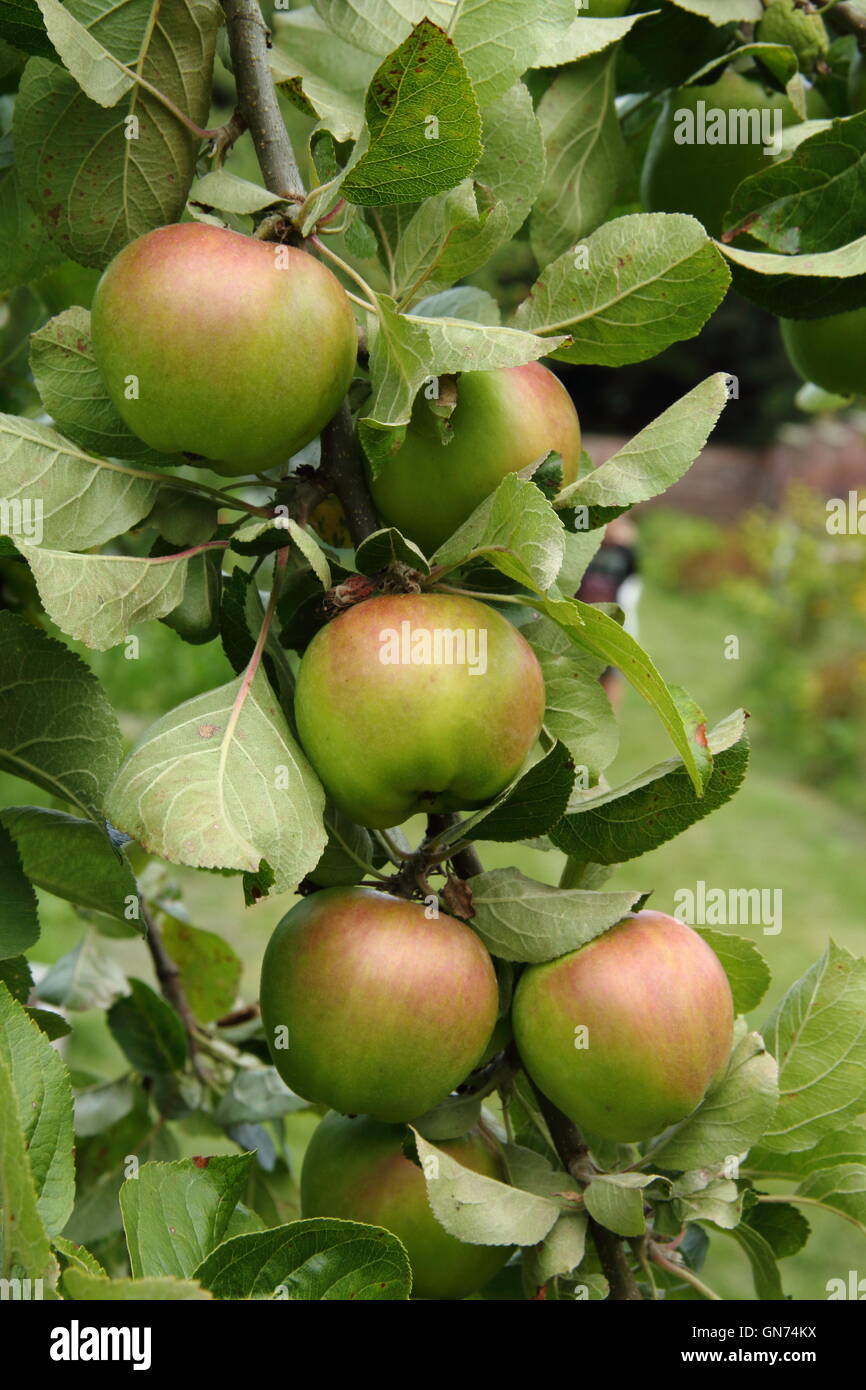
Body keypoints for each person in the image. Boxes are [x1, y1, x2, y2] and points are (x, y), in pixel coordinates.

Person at [576, 514, 641, 711]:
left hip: (612, 623)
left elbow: (633, 585)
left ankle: (610, 717)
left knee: (611, 674)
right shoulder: (583, 545)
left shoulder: (624, 553)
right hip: (579, 620)